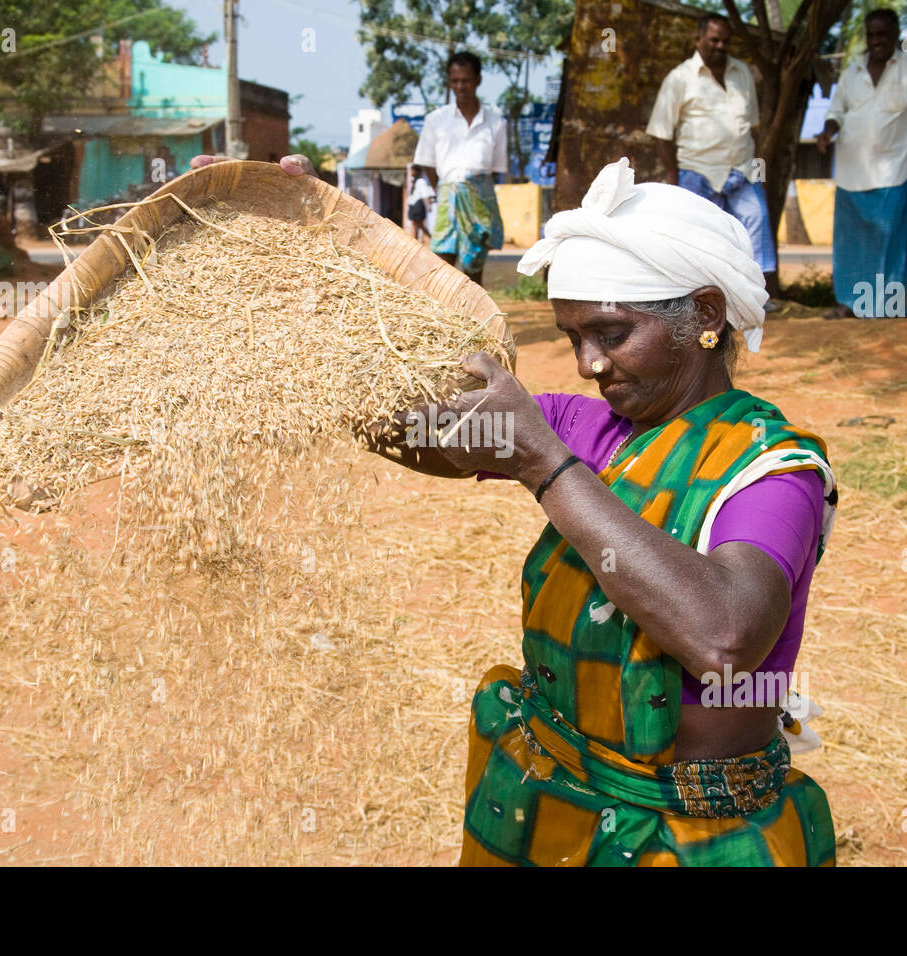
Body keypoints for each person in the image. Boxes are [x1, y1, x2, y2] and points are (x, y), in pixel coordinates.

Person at [192, 152, 839, 866]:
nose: (588, 365)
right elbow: (415, 430)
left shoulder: (770, 469)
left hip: (688, 834)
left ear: (706, 316)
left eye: (612, 334)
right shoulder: (588, 425)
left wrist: (543, 463)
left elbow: (724, 637)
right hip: (556, 800)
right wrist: (304, 263)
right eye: (573, 339)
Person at [817, 8, 907, 318]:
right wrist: (828, 132)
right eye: (872, 35)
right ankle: (850, 305)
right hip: (851, 170)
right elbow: (836, 112)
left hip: (892, 170)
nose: (877, 41)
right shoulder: (851, 72)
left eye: (883, 34)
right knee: (851, 246)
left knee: (889, 243)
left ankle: (887, 307)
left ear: (895, 35)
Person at [646, 13, 777, 294]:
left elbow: (752, 128)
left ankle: (754, 297)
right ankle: (700, 299)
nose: (720, 46)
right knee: (699, 237)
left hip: (741, 169)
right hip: (697, 171)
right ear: (699, 40)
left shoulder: (742, 73)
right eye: (714, 40)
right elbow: (660, 132)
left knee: (756, 221)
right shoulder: (679, 78)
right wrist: (673, 175)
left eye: (725, 42)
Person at [412, 51, 508, 285]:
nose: (460, 86)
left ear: (478, 80)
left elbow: (495, 170)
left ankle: (475, 320)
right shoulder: (435, 120)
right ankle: (441, 320)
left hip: (479, 201)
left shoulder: (496, 123)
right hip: (447, 198)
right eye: (455, 81)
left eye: (465, 80)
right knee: (442, 265)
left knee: (473, 270)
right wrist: (448, 192)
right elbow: (429, 165)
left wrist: (471, 192)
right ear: (449, 82)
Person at [406, 165, 435, 243]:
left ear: (418, 171)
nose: (411, 172)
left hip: (418, 205)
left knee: (416, 225)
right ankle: (429, 239)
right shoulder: (414, 181)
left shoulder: (420, 181)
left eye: (413, 170)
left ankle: (414, 241)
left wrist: (428, 205)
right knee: (418, 225)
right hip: (413, 205)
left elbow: (424, 195)